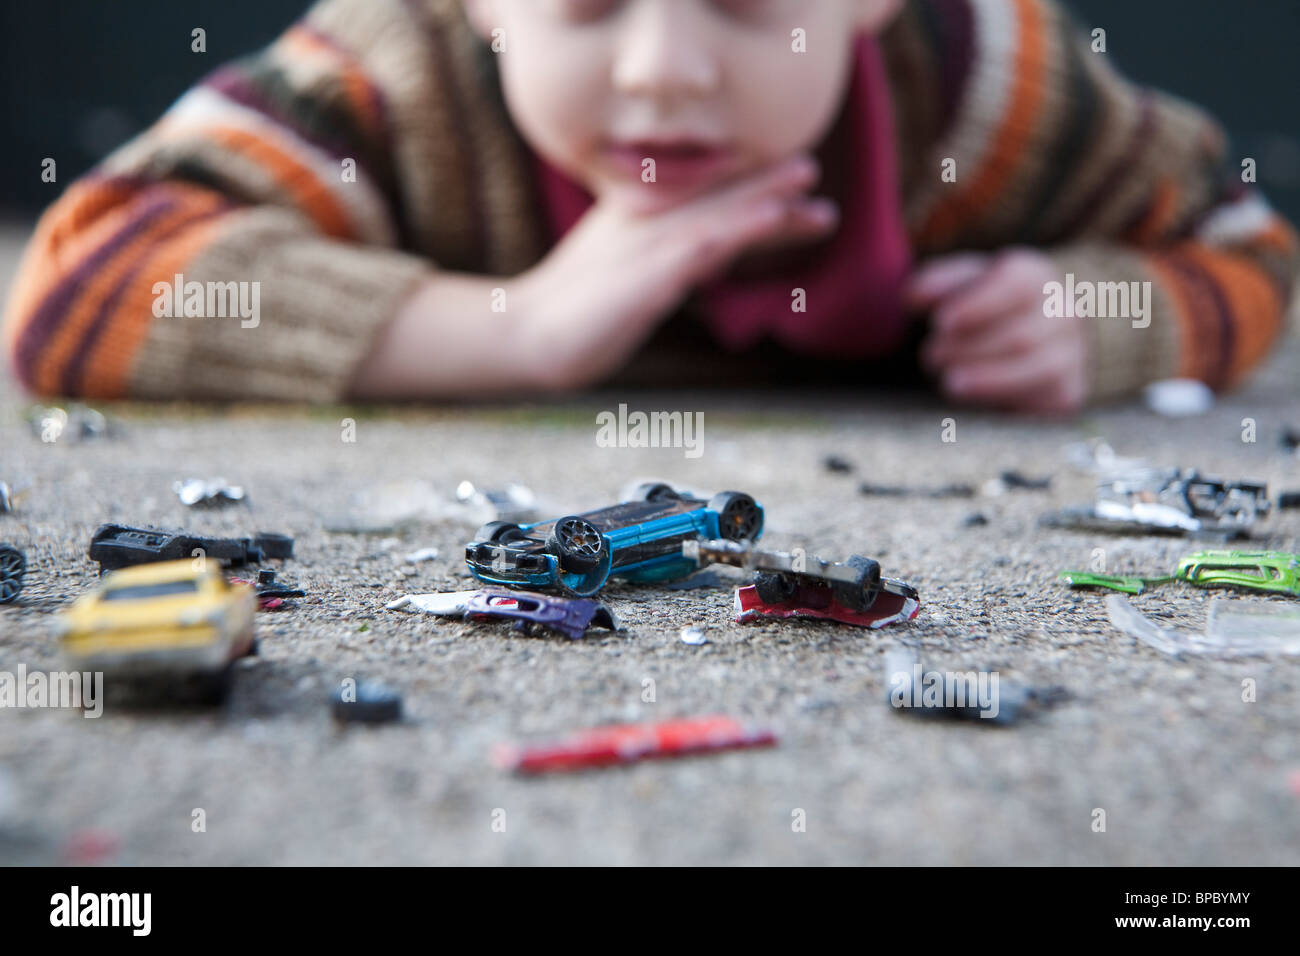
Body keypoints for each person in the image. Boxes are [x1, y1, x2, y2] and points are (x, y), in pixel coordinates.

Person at [4, 0, 1296, 411]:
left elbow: (1240, 246)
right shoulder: (392, 76)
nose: (660, 68)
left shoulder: (990, 84)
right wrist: (510, 327)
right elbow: (77, 285)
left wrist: (1112, 315)